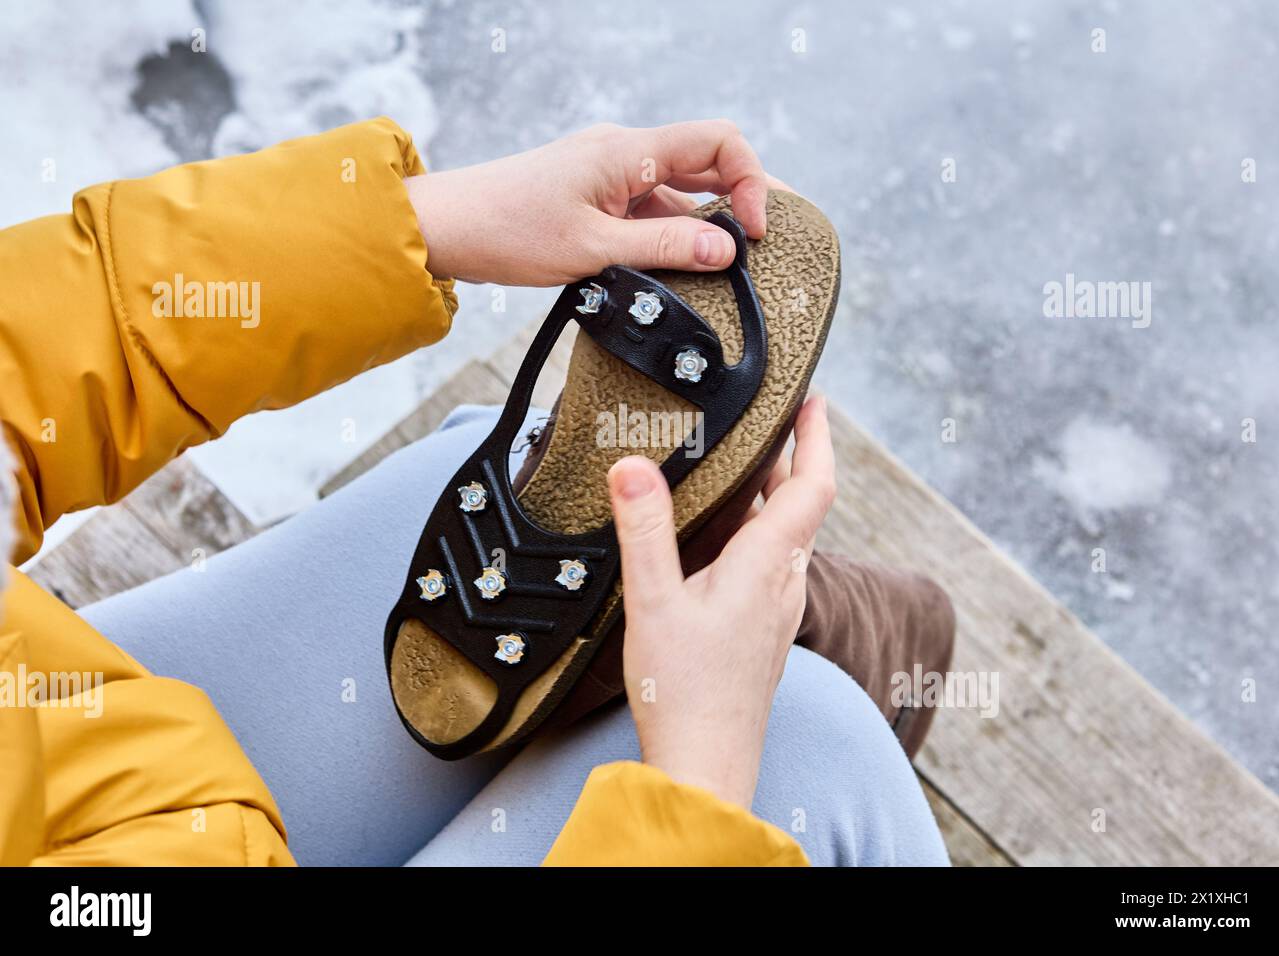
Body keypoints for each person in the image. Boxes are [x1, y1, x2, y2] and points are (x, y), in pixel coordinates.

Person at [0, 118, 949, 866]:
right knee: (813, 748)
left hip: (71, 755)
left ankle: (773, 624)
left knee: (467, 498)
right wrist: (699, 789)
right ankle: (833, 649)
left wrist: (419, 221)